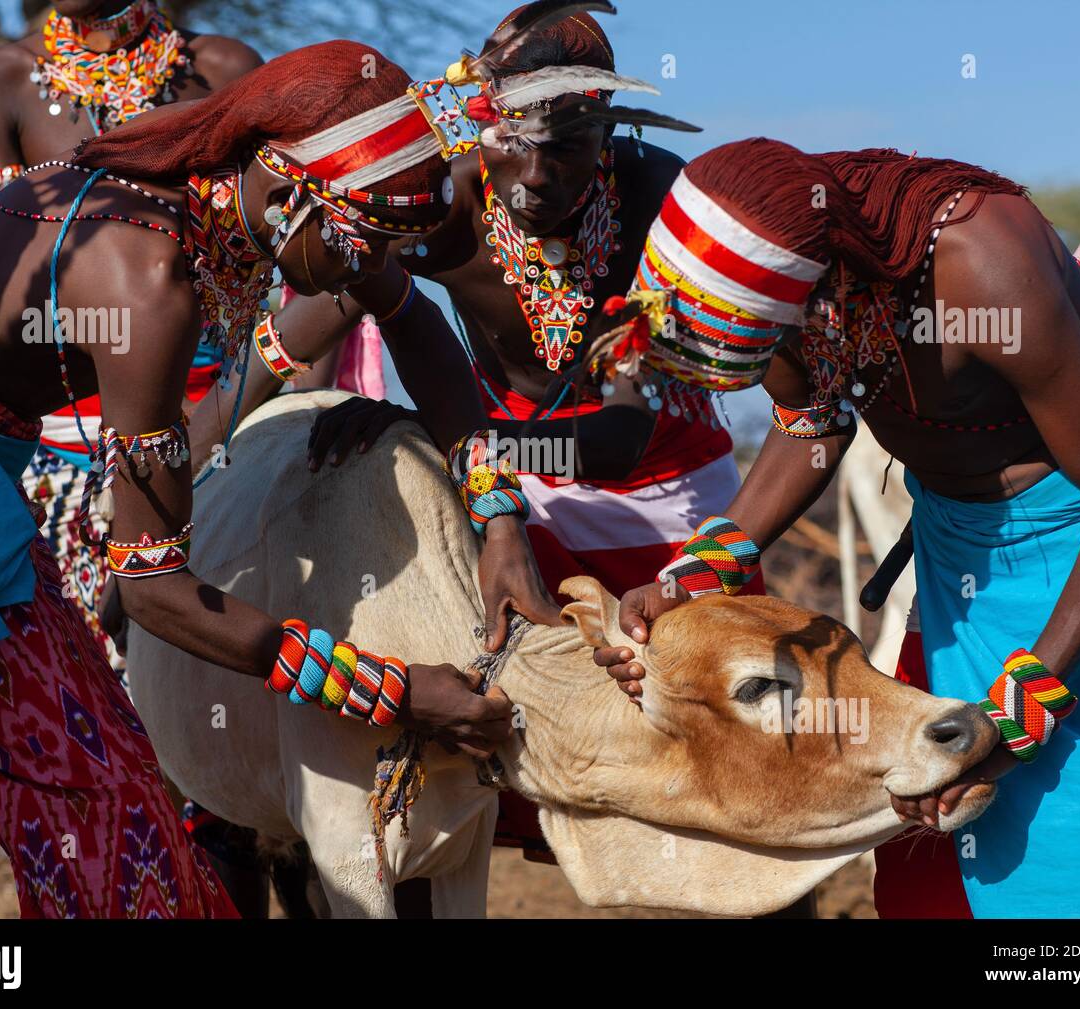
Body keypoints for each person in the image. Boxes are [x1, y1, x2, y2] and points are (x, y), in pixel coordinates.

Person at [0, 43, 527, 918]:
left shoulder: (252, 196)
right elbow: (155, 593)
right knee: (103, 824)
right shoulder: (147, 282)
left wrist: (502, 520)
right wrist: (395, 689)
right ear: (294, 199)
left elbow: (409, 318)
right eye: (358, 250)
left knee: (122, 792)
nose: (361, 272)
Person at [194, 4, 760, 865]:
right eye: (510, 141)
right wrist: (188, 476)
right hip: (505, 485)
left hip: (662, 489)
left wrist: (452, 438)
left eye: (566, 148)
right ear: (481, 125)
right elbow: (303, 327)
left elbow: (614, 440)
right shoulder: (442, 202)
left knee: (722, 756)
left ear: (610, 133)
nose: (533, 175)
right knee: (503, 745)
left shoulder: (654, 198)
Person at [592, 138, 1080, 918]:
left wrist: (1015, 717)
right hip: (962, 556)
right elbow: (810, 424)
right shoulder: (799, 259)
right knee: (933, 849)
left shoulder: (980, 260)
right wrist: (688, 577)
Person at [0, 0, 262, 667]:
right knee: (92, 693)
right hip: (70, 433)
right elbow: (16, 264)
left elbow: (278, 260)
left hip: (235, 410)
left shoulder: (227, 69)